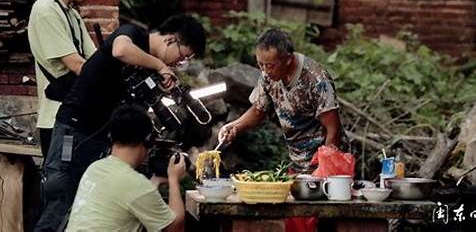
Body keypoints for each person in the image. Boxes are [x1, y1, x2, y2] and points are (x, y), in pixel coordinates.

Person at [35, 14, 206, 231]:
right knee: (58, 209)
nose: (179, 63)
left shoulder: (146, 67)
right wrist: (160, 65)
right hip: (75, 131)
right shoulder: (132, 34)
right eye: (183, 57)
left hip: (97, 140)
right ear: (171, 40)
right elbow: (120, 50)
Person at [219, 28, 349, 174]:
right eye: (260, 64)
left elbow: (333, 129)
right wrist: (235, 127)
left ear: (288, 59)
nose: (265, 70)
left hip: (328, 160)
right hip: (298, 161)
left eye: (270, 66)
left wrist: (324, 169)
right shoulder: (268, 75)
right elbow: (258, 110)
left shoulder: (316, 79)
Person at [28, 0, 111, 159]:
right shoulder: (45, 10)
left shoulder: (71, 14)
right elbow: (77, 64)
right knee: (63, 188)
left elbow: (95, 60)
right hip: (57, 121)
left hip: (75, 119)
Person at [66, 104, 186, 232]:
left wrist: (155, 181)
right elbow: (175, 227)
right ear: (147, 140)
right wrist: (174, 179)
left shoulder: (95, 168)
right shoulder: (135, 183)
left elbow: (128, 195)